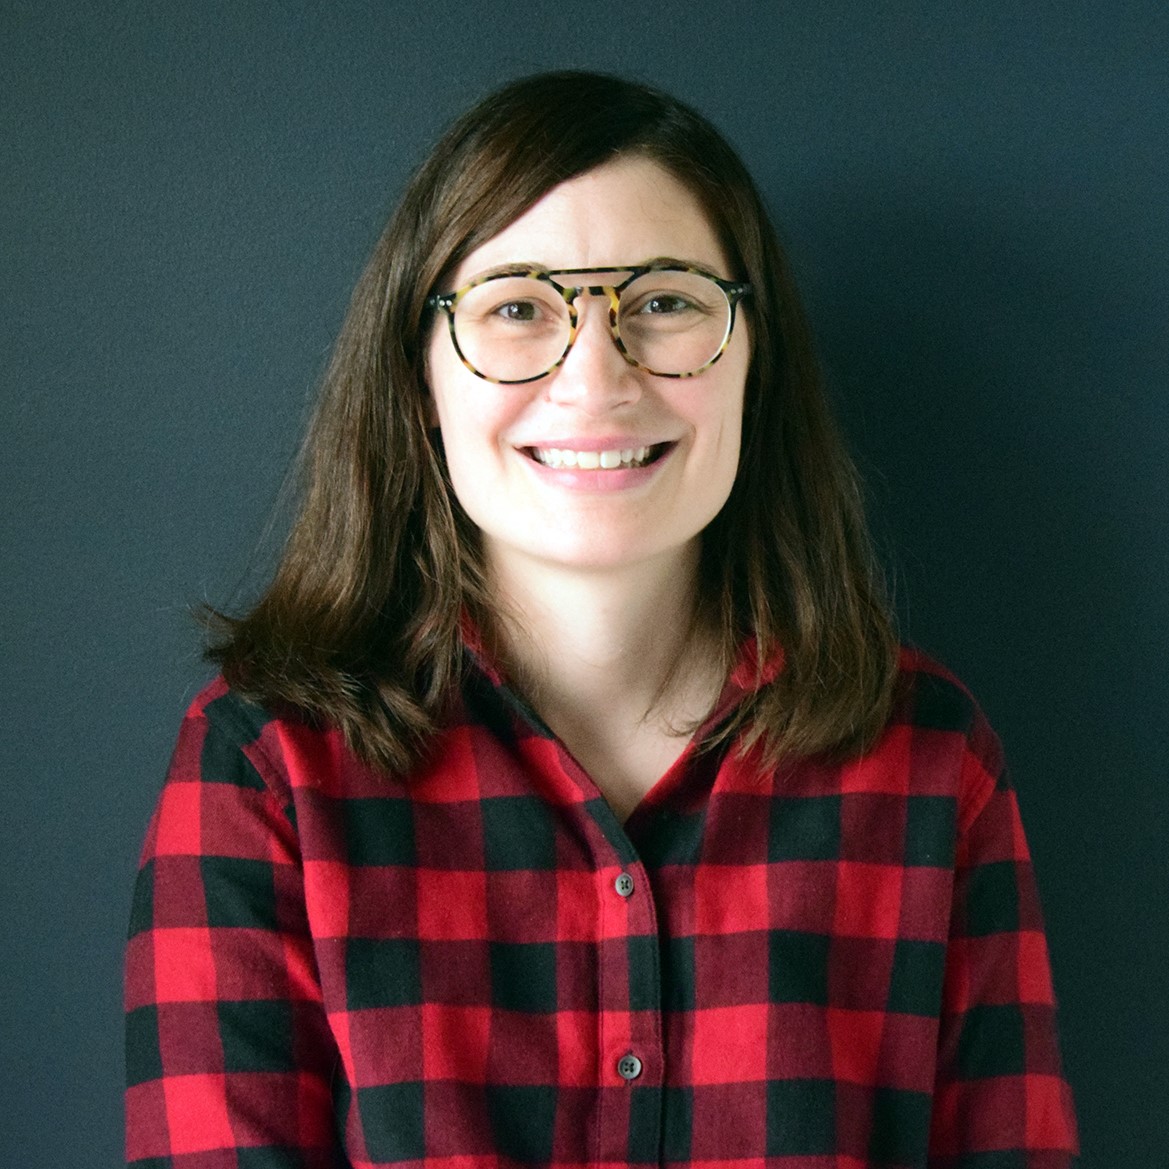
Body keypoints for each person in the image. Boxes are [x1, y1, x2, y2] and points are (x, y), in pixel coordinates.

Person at [125, 71, 1078, 1168]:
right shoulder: (267, 768)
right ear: (416, 372)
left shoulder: (927, 756)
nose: (594, 376)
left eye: (664, 301)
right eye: (517, 308)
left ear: (752, 357)